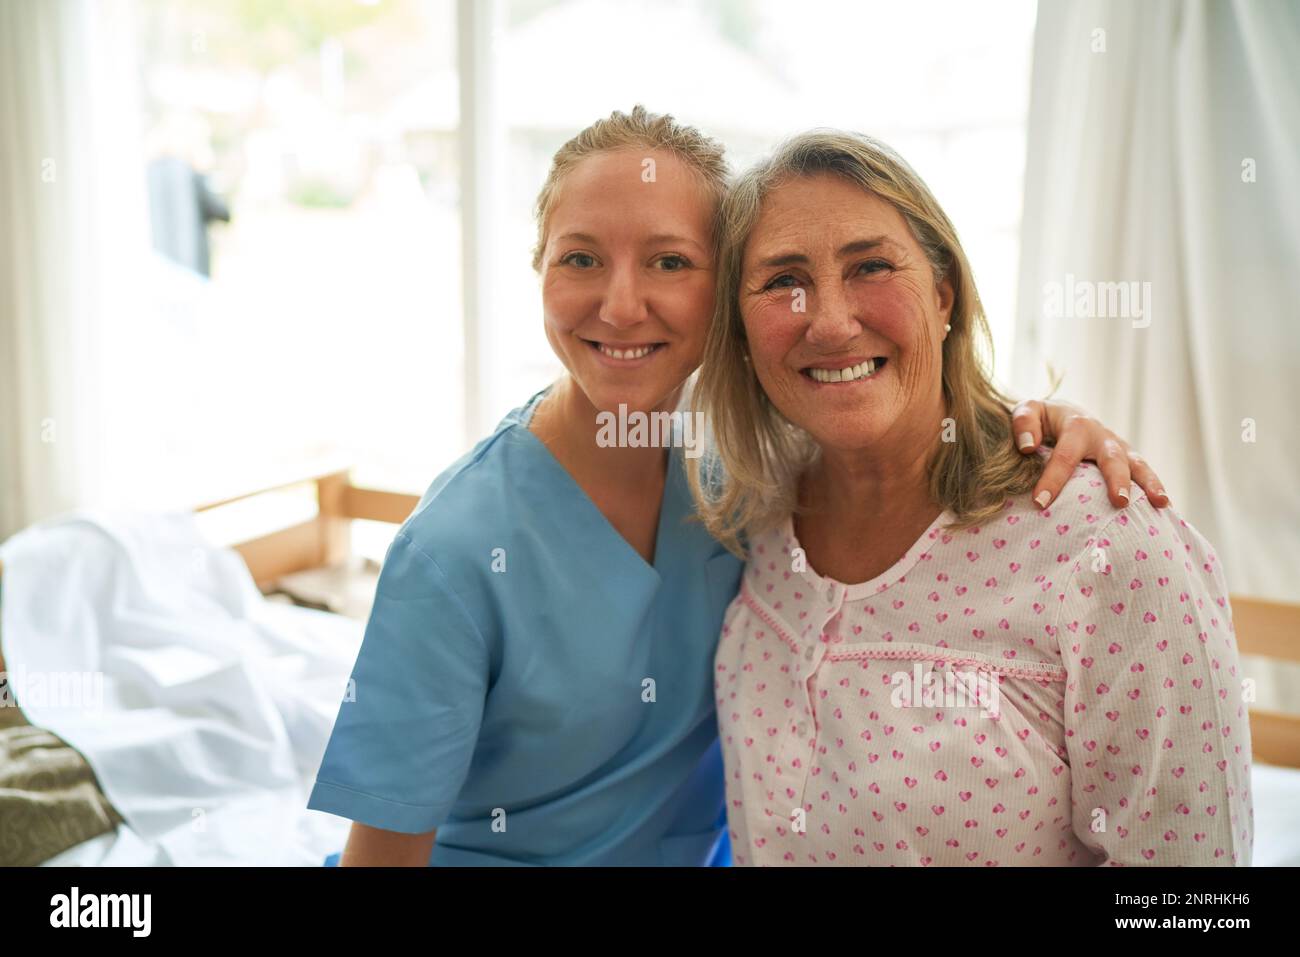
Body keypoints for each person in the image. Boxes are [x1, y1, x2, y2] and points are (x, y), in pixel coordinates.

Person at [308, 107, 1169, 866]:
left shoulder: (748, 484)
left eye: (670, 262)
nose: (619, 304)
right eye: (579, 258)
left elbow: (877, 393)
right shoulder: (454, 550)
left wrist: (1031, 423)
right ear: (540, 271)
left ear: (723, 297)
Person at [692, 130, 1252, 866]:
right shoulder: (745, 508)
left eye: (870, 267)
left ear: (944, 291)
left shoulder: (1109, 546)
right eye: (781, 280)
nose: (829, 321)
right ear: (738, 328)